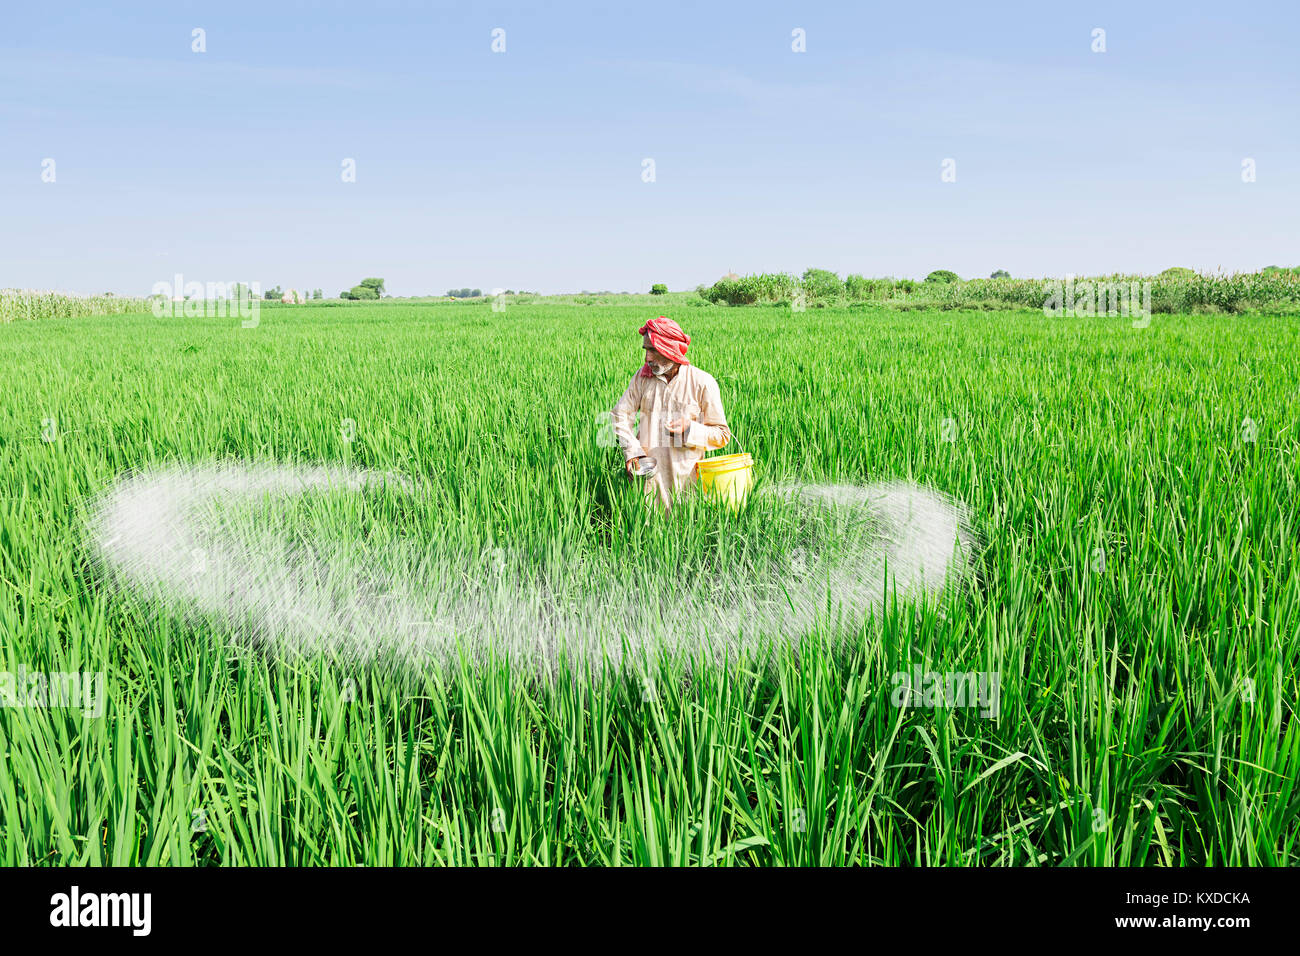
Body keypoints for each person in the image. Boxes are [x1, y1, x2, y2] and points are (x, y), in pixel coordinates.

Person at [610, 316, 731, 511]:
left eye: (653, 350)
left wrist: (690, 429)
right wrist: (632, 451)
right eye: (646, 350)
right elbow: (619, 416)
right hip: (648, 482)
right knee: (646, 534)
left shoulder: (702, 382)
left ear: (670, 349)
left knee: (684, 535)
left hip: (687, 484)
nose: (647, 358)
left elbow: (722, 434)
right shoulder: (642, 378)